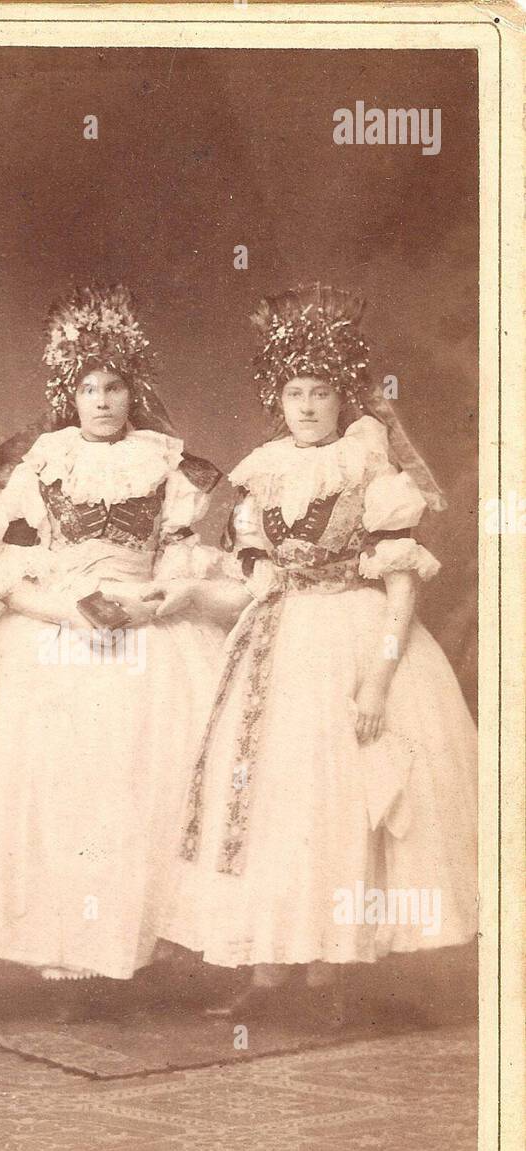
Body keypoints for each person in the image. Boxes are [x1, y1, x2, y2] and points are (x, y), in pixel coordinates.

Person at [154, 284, 478, 1024]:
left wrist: (378, 679)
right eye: (294, 392)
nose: (306, 406)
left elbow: (403, 589)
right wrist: (235, 578)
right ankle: (267, 969)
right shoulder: (263, 469)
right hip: (277, 641)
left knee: (334, 800)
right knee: (268, 800)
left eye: (321, 392)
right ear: (279, 399)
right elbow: (252, 556)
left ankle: (332, 974)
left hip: (354, 637)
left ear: (342, 399)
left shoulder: (372, 471)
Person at [0, 284, 223, 992]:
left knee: (144, 783)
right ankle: (71, 957)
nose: (102, 402)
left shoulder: (164, 464)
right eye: (88, 389)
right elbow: (1, 572)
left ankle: (133, 950)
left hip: (146, 628)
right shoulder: (41, 463)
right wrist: (62, 610)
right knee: (64, 788)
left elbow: (180, 554)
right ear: (68, 396)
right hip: (58, 629)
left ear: (133, 393)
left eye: (114, 387)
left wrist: (156, 602)